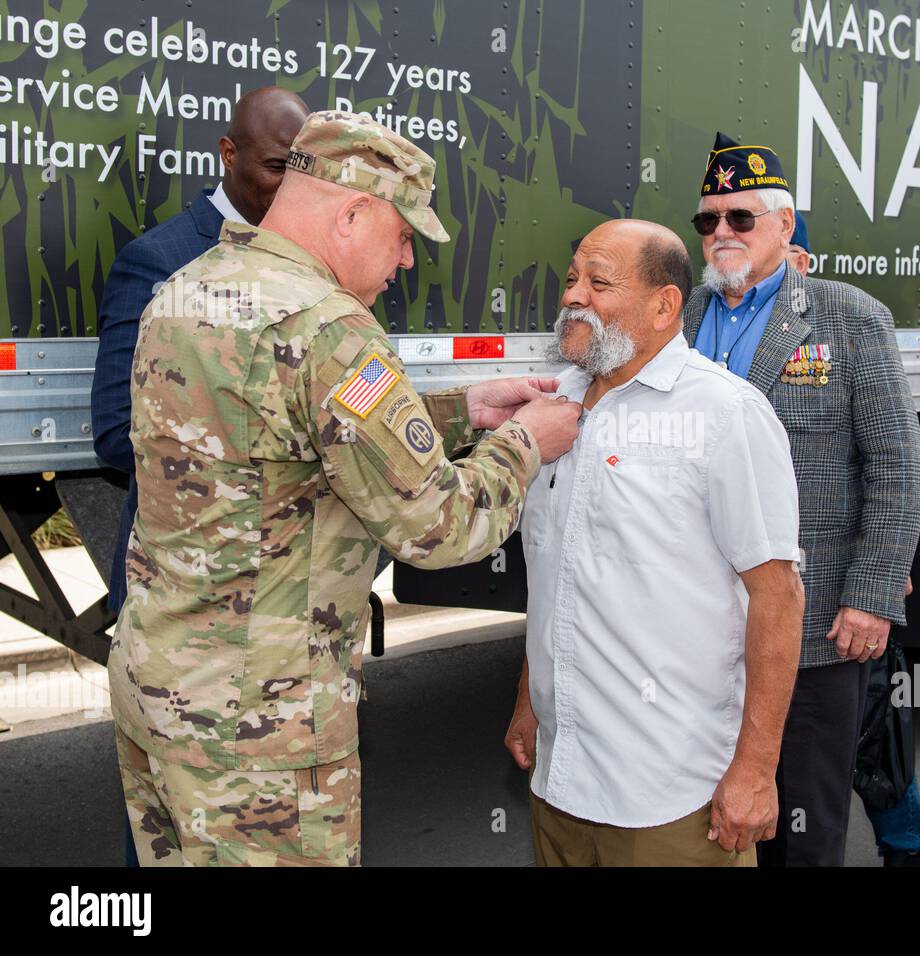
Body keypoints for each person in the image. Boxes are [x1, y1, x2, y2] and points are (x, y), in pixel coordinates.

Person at [108, 111, 581, 867]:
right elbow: (444, 527)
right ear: (352, 212)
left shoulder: (189, 286)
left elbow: (276, 437)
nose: (402, 262)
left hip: (157, 688)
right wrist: (527, 441)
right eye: (401, 237)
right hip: (261, 725)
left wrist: (465, 408)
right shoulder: (329, 327)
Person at [503, 218, 804, 866]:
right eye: (572, 278)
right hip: (559, 782)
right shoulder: (556, 408)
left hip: (671, 800)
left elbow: (777, 597)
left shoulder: (727, 415)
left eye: (599, 282)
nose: (573, 296)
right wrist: (532, 699)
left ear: (665, 304)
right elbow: (560, 574)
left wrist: (755, 770)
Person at [683, 133, 920, 867]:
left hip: (817, 624)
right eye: (708, 220)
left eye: (740, 218)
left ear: (785, 227)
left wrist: (874, 594)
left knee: (802, 823)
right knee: (709, 814)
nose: (721, 232)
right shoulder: (682, 315)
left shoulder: (847, 315)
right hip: (696, 621)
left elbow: (896, 462)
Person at [91, 86, 310, 867]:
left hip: (281, 615)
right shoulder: (159, 259)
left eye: (303, 169)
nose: (290, 187)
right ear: (228, 155)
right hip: (181, 600)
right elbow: (118, 435)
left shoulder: (314, 271)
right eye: (277, 166)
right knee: (169, 830)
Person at [784, 211, 920, 866]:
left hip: (835, 598)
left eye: (788, 253)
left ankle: (908, 847)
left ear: (804, 260)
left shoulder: (844, 323)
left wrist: (877, 572)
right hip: (755, 607)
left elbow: (894, 461)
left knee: (870, 736)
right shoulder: (719, 333)